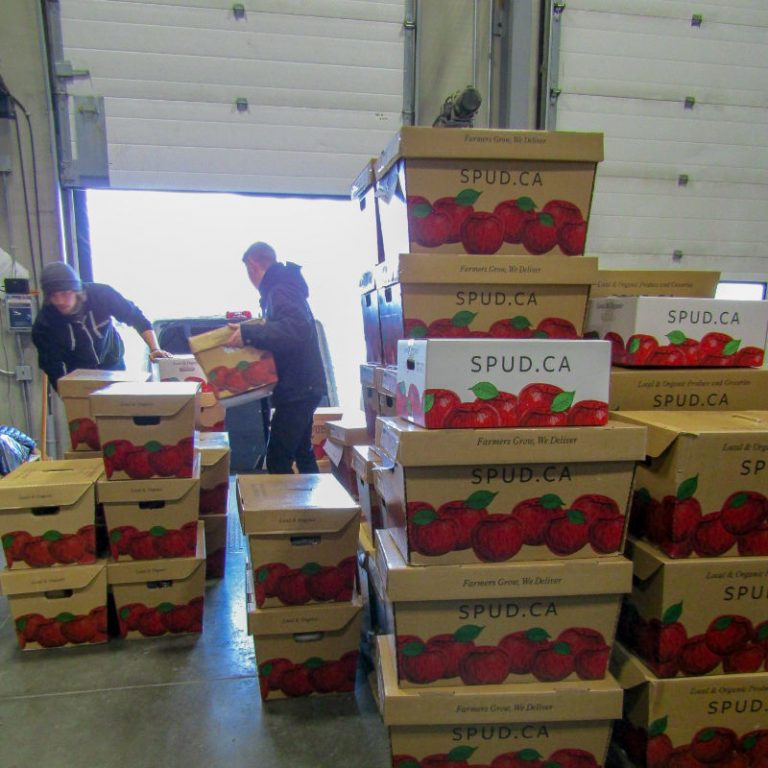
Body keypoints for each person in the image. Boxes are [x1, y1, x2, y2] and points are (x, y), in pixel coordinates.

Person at [227, 242, 327, 474]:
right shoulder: (284, 288)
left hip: (298, 390)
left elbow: (296, 329)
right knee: (303, 453)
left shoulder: (279, 290)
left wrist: (248, 333)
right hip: (302, 387)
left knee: (278, 459)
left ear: (252, 266)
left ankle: (286, 510)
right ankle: (315, 508)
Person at [31, 261, 171, 390]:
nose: (60, 301)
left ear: (76, 290)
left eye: (64, 293)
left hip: (111, 362)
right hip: (78, 372)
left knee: (118, 407)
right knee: (85, 413)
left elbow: (135, 317)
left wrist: (154, 348)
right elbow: (52, 367)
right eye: (54, 296)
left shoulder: (102, 295)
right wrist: (68, 397)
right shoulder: (44, 325)